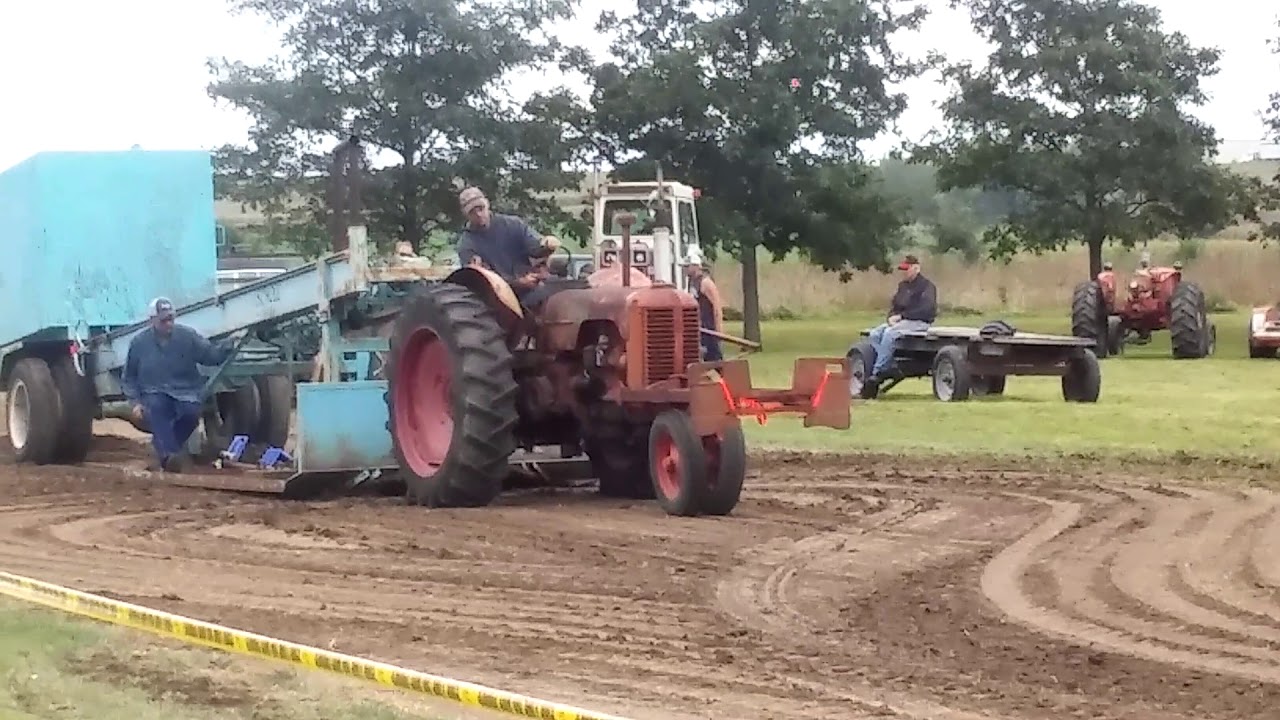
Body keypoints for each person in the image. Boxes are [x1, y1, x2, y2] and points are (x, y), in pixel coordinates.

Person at [122, 298, 237, 473]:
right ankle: (169, 456)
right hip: (154, 391)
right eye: (164, 320)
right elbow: (129, 376)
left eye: (171, 319)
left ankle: (166, 449)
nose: (168, 324)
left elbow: (210, 355)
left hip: (186, 391)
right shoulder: (139, 343)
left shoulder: (187, 336)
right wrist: (135, 402)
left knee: (191, 414)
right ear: (152, 320)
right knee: (156, 408)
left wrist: (229, 344)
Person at [454, 186, 561, 307]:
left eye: (481, 208)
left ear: (487, 204)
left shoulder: (513, 224)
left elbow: (535, 247)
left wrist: (546, 245)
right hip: (498, 299)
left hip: (532, 284)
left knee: (562, 293)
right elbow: (484, 281)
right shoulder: (467, 245)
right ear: (465, 215)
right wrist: (519, 283)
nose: (478, 214)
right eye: (472, 212)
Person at [866, 254, 937, 385]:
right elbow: (895, 306)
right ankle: (890, 366)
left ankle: (877, 372)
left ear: (916, 268)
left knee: (889, 334)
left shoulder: (927, 287)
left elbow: (927, 310)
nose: (904, 272)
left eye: (907, 269)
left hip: (920, 323)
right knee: (874, 334)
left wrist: (902, 317)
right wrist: (891, 318)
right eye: (903, 270)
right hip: (901, 323)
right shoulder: (903, 286)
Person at [683, 246, 725, 362]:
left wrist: (718, 331)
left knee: (714, 361)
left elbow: (717, 307)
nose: (685, 269)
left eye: (687, 266)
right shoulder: (691, 282)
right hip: (698, 330)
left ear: (695, 266)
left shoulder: (706, 283)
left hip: (709, 330)